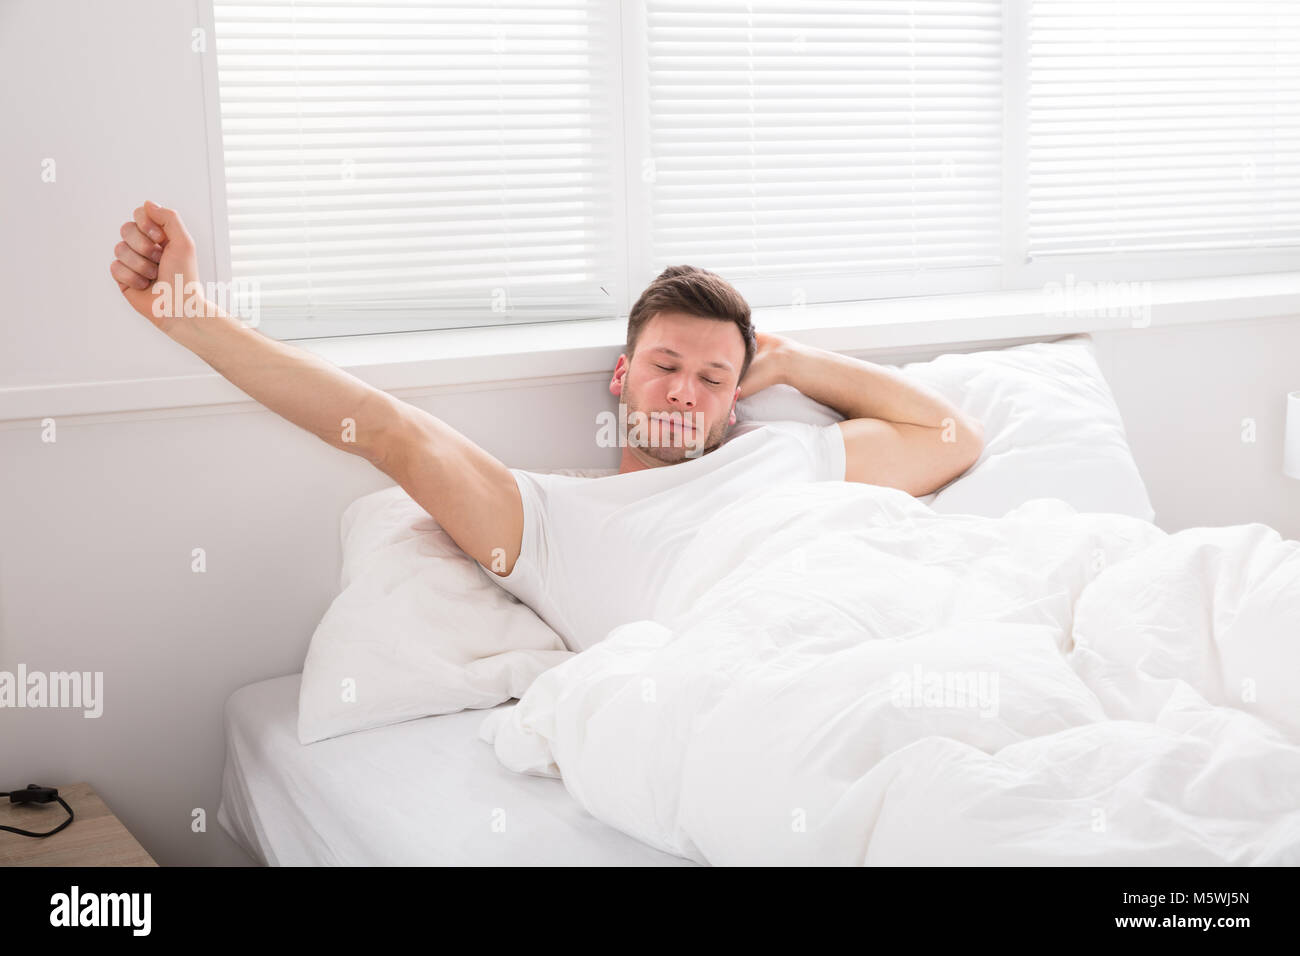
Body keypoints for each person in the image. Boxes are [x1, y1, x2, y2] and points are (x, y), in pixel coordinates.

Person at [110, 201, 985, 652]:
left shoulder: (788, 456)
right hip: (753, 668)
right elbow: (387, 431)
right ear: (622, 377)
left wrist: (790, 362)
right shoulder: (553, 520)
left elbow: (952, 439)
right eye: (666, 367)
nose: (686, 392)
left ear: (736, 397)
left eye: (714, 377)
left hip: (893, 624)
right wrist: (192, 315)